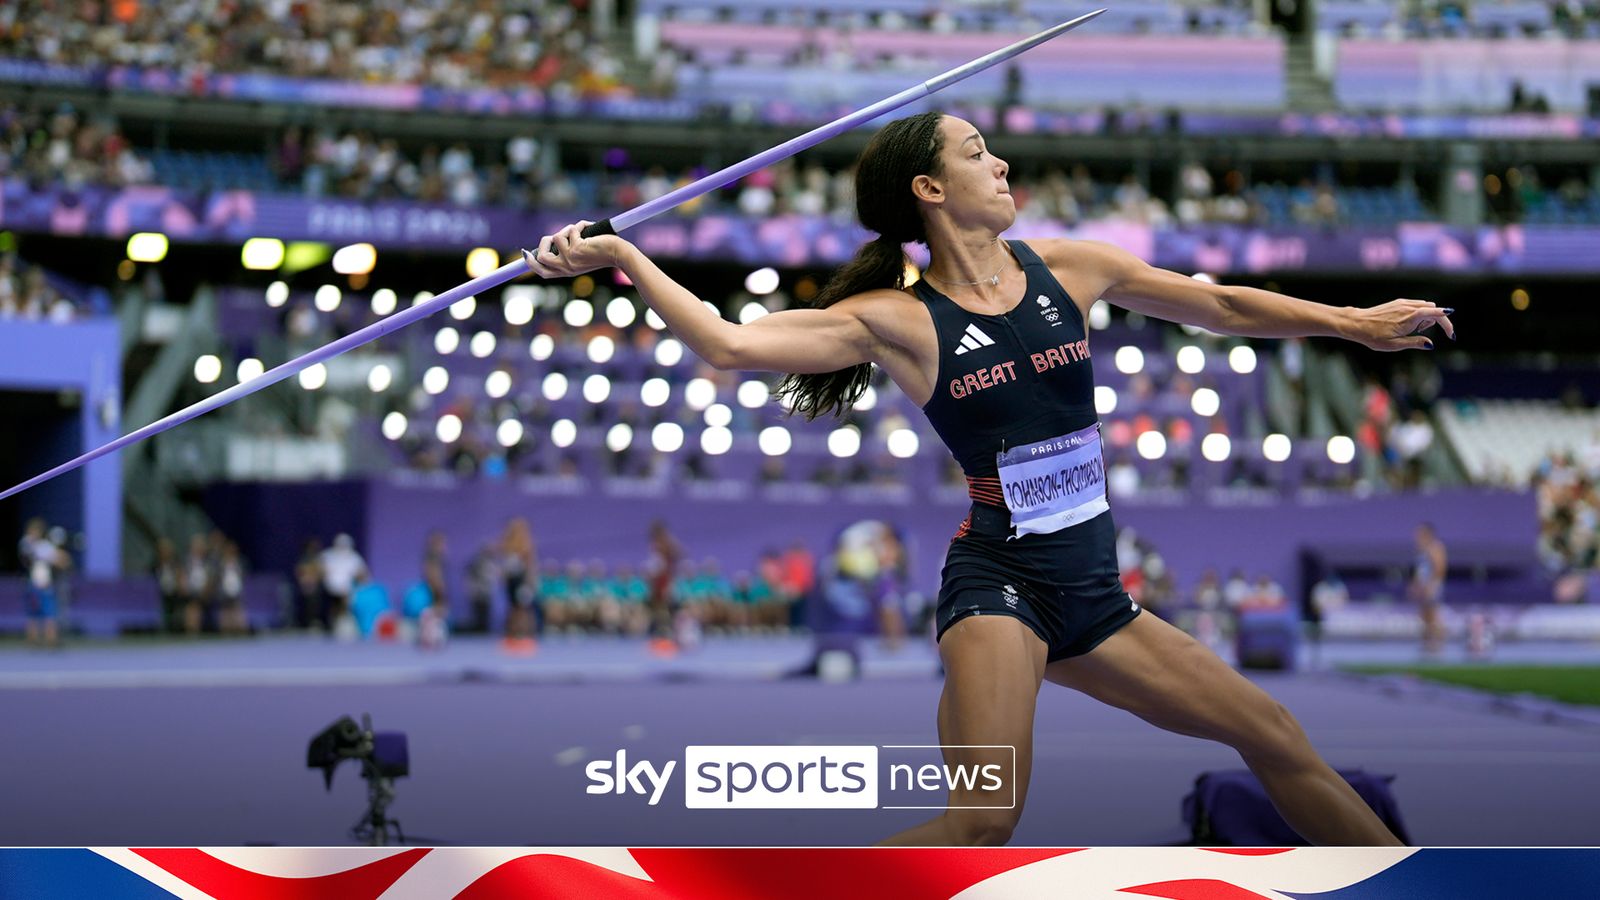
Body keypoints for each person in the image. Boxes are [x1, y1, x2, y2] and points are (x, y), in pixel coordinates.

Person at [527, 112, 1451, 846]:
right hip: (999, 584)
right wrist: (622, 256)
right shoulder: (896, 317)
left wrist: (1353, 324)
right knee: (983, 819)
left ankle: (1405, 887)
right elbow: (729, 345)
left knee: (1275, 734)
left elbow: (1215, 303)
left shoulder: (1073, 269)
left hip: (1095, 598)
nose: (1001, 164)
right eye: (978, 152)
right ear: (932, 189)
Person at [17, 519, 67, 648]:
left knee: (49, 612)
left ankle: (51, 639)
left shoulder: (44, 545)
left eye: (36, 531)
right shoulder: (26, 543)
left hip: (45, 585)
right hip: (32, 584)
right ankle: (33, 639)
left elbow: (62, 560)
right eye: (32, 531)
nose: (34, 534)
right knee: (33, 613)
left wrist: (59, 555)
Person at [1409, 521, 1448, 655]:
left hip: (1432, 586)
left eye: (1419, 533)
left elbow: (1439, 568)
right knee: (1424, 616)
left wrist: (1432, 585)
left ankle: (1438, 644)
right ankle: (1427, 643)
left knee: (1433, 617)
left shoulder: (1435, 547)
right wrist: (1415, 585)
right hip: (1423, 586)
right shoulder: (1422, 550)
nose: (1416, 536)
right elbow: (1419, 570)